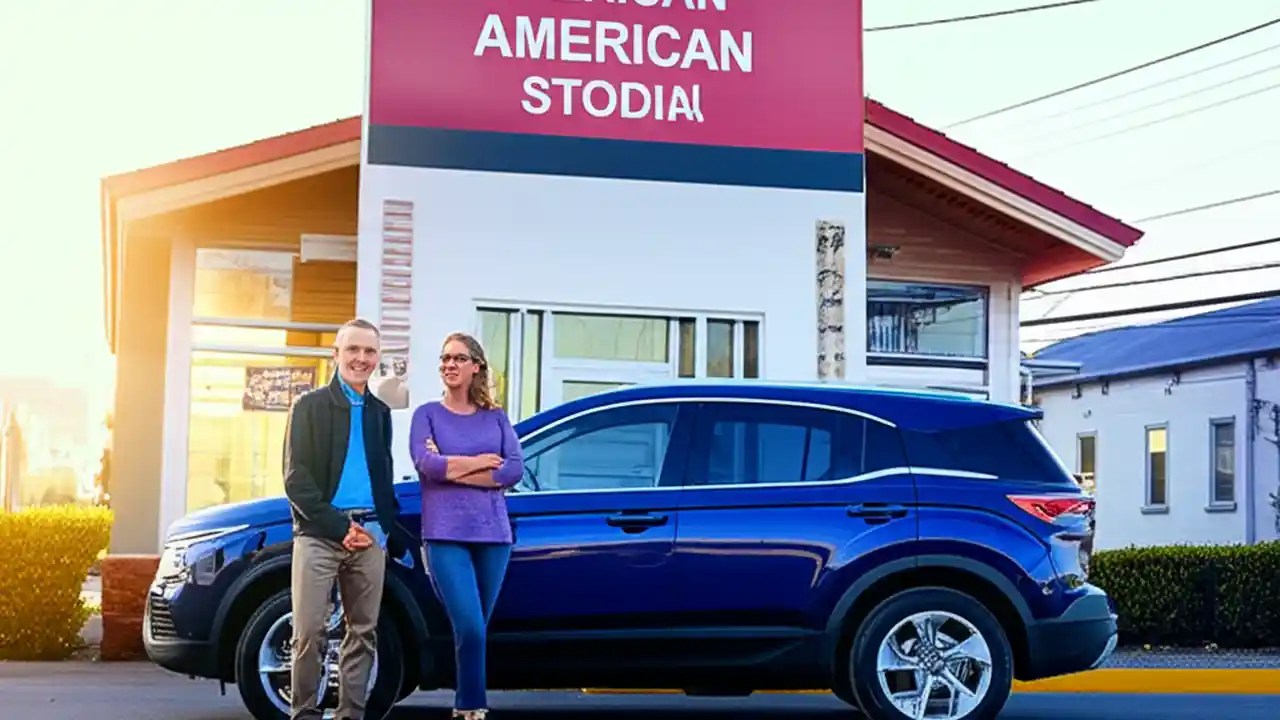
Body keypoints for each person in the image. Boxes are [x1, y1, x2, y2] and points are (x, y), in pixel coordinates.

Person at [283, 318, 415, 720]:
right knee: (308, 632)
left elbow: (383, 472)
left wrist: (386, 528)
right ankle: (303, 713)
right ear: (336, 354)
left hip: (370, 534)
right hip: (320, 535)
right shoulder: (309, 407)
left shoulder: (379, 413)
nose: (361, 358)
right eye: (353, 350)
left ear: (377, 359)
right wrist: (341, 528)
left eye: (369, 351)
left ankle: (350, 715)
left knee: (362, 633)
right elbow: (295, 479)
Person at [409, 332, 524, 720]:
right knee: (471, 627)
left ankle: (469, 705)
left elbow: (513, 470)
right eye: (444, 358)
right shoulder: (426, 414)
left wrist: (453, 466)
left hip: (493, 536)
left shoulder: (496, 417)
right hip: (445, 535)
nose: (449, 365)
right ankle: (470, 706)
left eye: (458, 358)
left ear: (476, 366)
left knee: (475, 630)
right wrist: (480, 462)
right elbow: (427, 466)